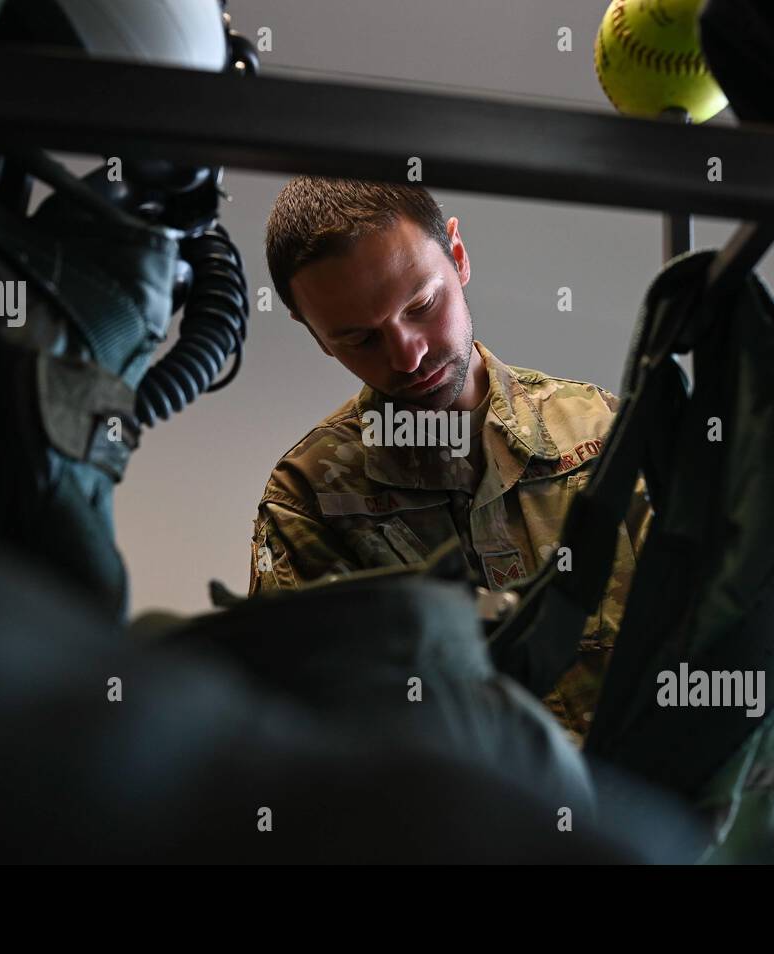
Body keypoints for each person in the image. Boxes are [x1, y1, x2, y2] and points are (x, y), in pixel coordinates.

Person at [248, 176, 652, 744]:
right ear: (315, 333)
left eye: (421, 305)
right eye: (359, 339)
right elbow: (307, 746)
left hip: (651, 826)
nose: (407, 355)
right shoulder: (310, 502)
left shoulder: (607, 434)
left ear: (457, 255)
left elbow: (715, 641)